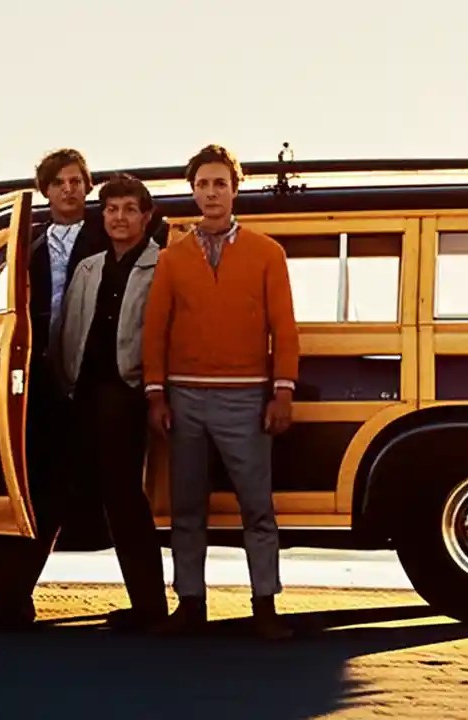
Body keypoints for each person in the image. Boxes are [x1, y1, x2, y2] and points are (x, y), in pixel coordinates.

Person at [142, 144, 299, 640]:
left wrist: (282, 392)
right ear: (193, 191)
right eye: (203, 185)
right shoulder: (172, 258)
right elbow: (155, 330)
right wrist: (156, 394)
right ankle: (190, 604)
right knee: (187, 508)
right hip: (185, 397)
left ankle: (265, 606)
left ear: (234, 190)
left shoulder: (267, 252)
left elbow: (284, 327)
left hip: (246, 397)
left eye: (220, 184)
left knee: (257, 506)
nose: (211, 193)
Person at [0, 148, 108, 627]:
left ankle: (15, 591)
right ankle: (6, 589)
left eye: (76, 181)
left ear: (87, 187)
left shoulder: (106, 235)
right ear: (45, 191)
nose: (69, 190)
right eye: (59, 182)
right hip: (33, 377)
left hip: (89, 375)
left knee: (62, 486)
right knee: (16, 479)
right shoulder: (26, 244)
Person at [53, 174, 169, 632]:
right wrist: (66, 382)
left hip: (128, 392)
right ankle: (13, 597)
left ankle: (149, 606)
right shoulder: (89, 268)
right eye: (112, 209)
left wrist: (153, 389)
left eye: (129, 209)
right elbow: (68, 328)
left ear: (146, 216)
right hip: (82, 392)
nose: (120, 218)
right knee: (53, 486)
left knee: (124, 496)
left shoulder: (163, 266)